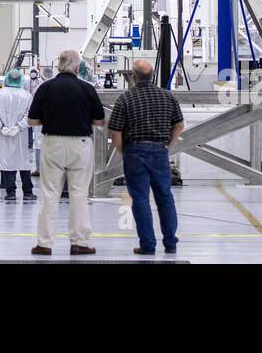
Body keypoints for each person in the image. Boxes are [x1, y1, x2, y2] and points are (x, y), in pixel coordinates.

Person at [27, 49, 105, 256]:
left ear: (58, 65)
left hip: (52, 143)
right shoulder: (87, 89)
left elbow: (32, 120)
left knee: (50, 194)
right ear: (77, 67)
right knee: (78, 194)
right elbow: (99, 120)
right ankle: (79, 242)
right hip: (80, 144)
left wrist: (52, 119)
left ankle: (44, 244)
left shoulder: (45, 88)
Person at [107, 59, 184, 255]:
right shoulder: (168, 96)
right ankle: (170, 243)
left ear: (133, 76)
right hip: (160, 150)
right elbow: (179, 124)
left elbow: (114, 131)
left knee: (140, 198)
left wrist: (123, 150)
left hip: (135, 150)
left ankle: (148, 245)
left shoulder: (125, 98)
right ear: (152, 76)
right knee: (165, 196)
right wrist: (168, 144)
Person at [0, 70, 35, 201]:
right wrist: (19, 126)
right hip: (20, 134)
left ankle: (10, 192)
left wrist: (2, 127)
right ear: (21, 79)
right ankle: (28, 192)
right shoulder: (26, 96)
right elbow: (30, 114)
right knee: (23, 162)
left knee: (8, 162)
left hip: (3, 134)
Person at [25, 67, 44, 173]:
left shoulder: (41, 83)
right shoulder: (26, 83)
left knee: (39, 141)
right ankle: (39, 168)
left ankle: (39, 168)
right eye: (31, 72)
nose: (33, 74)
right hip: (31, 109)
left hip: (38, 113)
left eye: (34, 72)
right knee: (37, 140)